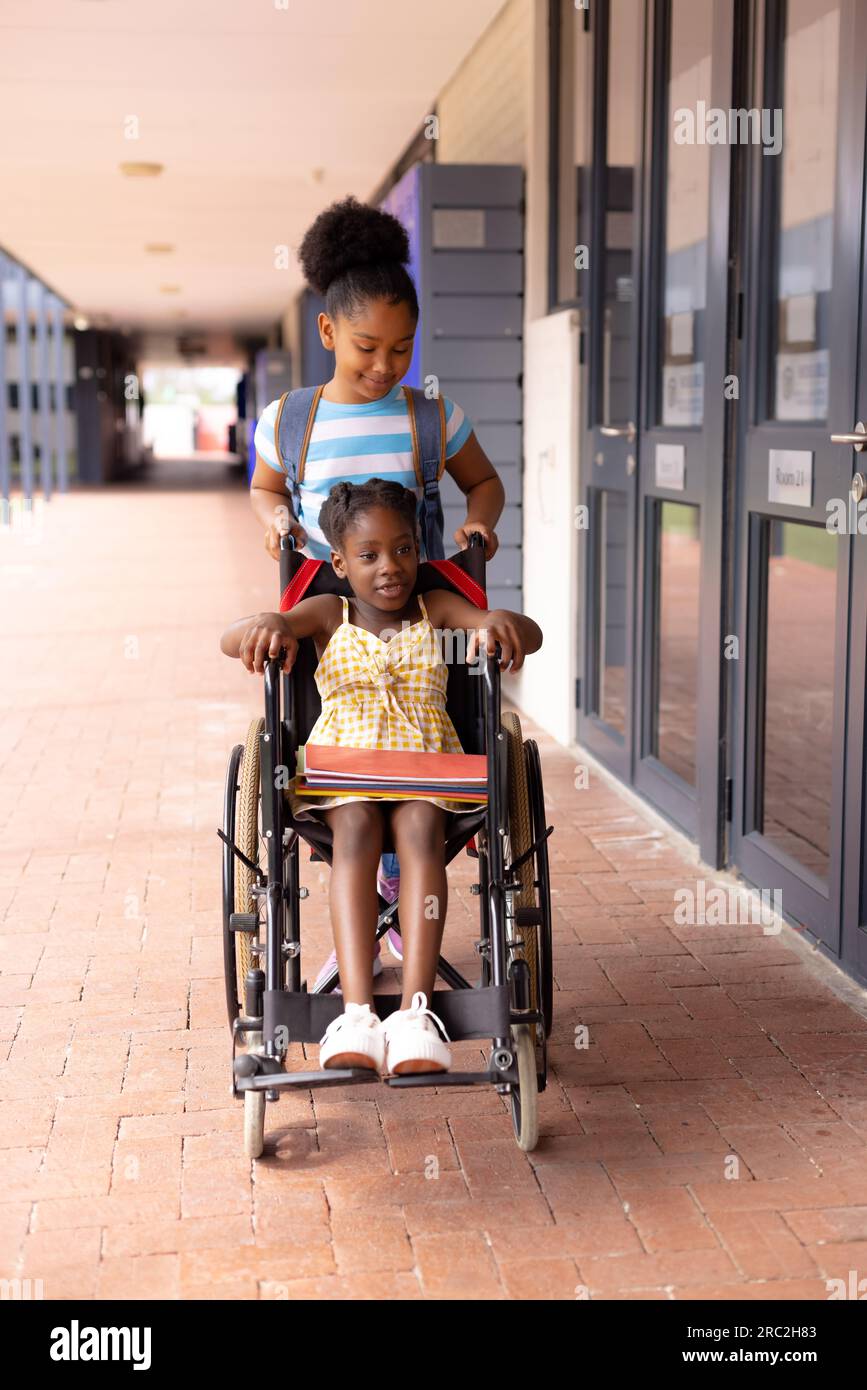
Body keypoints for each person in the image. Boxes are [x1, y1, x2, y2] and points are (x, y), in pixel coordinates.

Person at [248, 193, 507, 979]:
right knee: (321, 718)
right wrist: (271, 519)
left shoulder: (428, 416)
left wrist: (479, 526)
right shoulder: (290, 420)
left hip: (417, 598)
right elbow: (266, 489)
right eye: (366, 347)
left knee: (435, 712)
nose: (384, 365)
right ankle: (366, 888)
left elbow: (484, 482)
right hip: (328, 605)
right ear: (327, 332)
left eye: (401, 349)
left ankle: (398, 885)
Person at [221, 479, 542, 1076]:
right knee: (357, 833)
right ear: (339, 564)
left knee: (421, 833)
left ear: (419, 549)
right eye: (368, 556)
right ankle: (359, 1011)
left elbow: (528, 633)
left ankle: (417, 1011)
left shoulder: (437, 609)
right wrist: (268, 621)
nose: (389, 568)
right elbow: (230, 640)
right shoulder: (326, 614)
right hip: (344, 775)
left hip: (428, 773)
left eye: (402, 550)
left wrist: (499, 623)